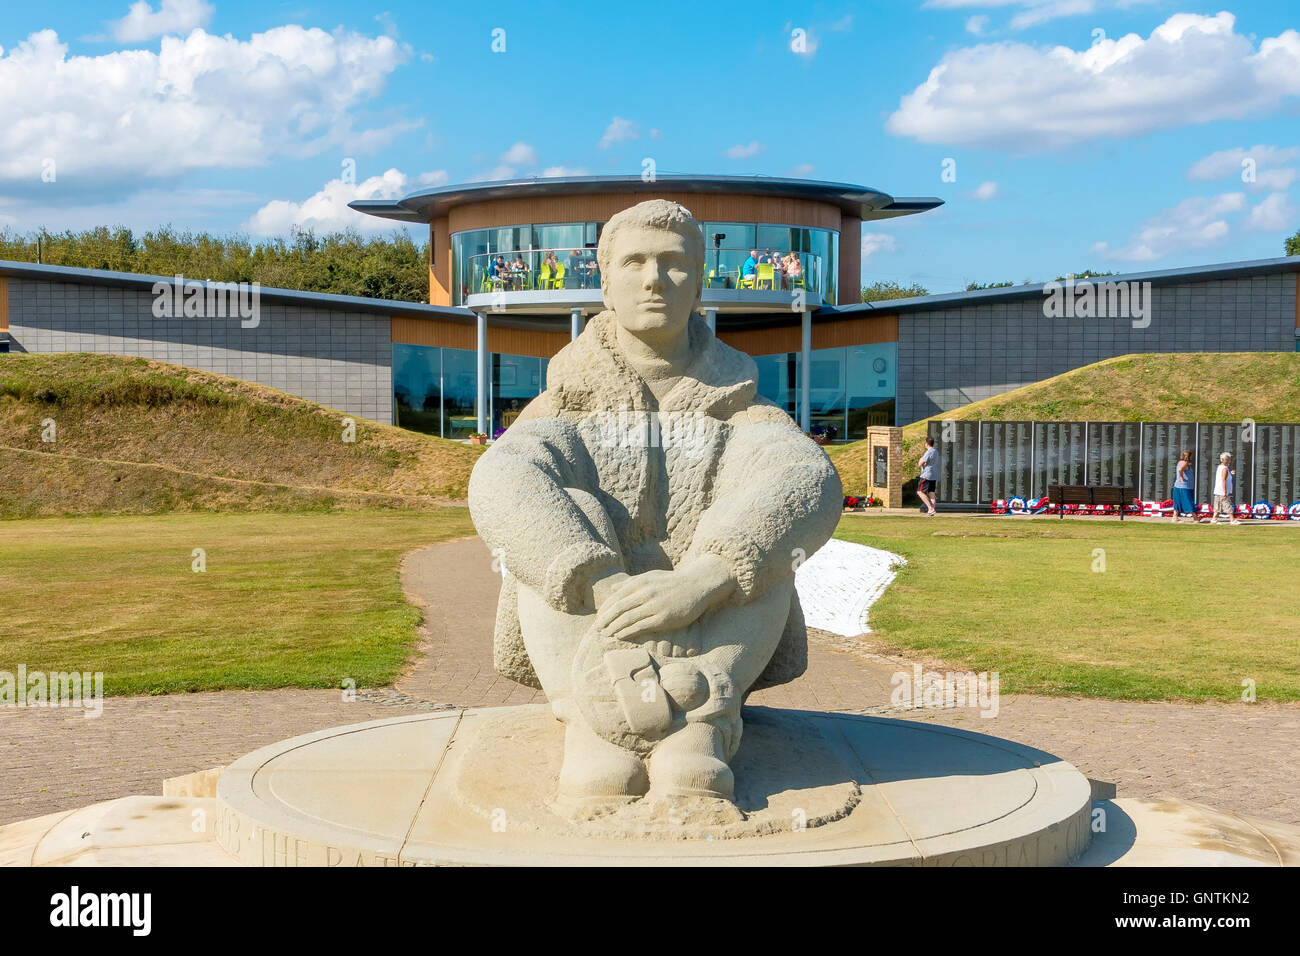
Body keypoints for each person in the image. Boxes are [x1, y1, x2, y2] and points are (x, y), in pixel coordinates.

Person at [468, 200, 841, 810]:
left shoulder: (739, 406)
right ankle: (598, 724)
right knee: (563, 513)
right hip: (592, 625)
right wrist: (600, 580)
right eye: (634, 262)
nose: (653, 278)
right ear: (605, 282)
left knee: (758, 526)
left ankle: (701, 724)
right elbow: (502, 476)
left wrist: (706, 575)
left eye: (673, 264)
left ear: (699, 281)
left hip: (713, 631)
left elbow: (804, 477)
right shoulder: (567, 403)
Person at [1211, 451, 1240, 525]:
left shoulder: (1222, 467)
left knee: (1218, 506)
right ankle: (1232, 520)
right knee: (1228, 505)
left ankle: (1214, 519)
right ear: (1226, 460)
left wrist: (1231, 474)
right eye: (1229, 459)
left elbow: (1226, 478)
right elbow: (1223, 480)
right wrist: (1225, 491)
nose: (1230, 460)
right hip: (1222, 491)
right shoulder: (1224, 469)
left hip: (1218, 491)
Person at [1171, 449, 1195, 523]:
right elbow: (1180, 470)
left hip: (1178, 486)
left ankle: (1175, 517)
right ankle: (1195, 518)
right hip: (1184, 487)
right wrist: (1181, 477)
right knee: (1188, 502)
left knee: (1177, 502)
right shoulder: (1185, 463)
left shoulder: (1180, 462)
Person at [918, 436, 938, 516]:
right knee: (931, 493)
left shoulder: (928, 452)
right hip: (934, 475)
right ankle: (932, 511)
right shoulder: (936, 451)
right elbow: (927, 462)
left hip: (926, 474)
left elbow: (920, 464)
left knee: (919, 491)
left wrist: (920, 460)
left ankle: (930, 508)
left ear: (926, 444)